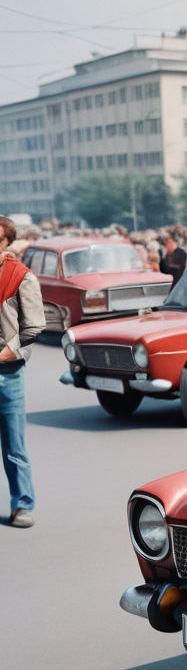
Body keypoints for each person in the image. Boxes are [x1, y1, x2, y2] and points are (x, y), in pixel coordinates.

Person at [0, 216, 44, 528]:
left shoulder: (21, 276)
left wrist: (7, 352)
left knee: (14, 446)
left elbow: (34, 327)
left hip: (7, 372)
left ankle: (23, 504)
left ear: (7, 242)